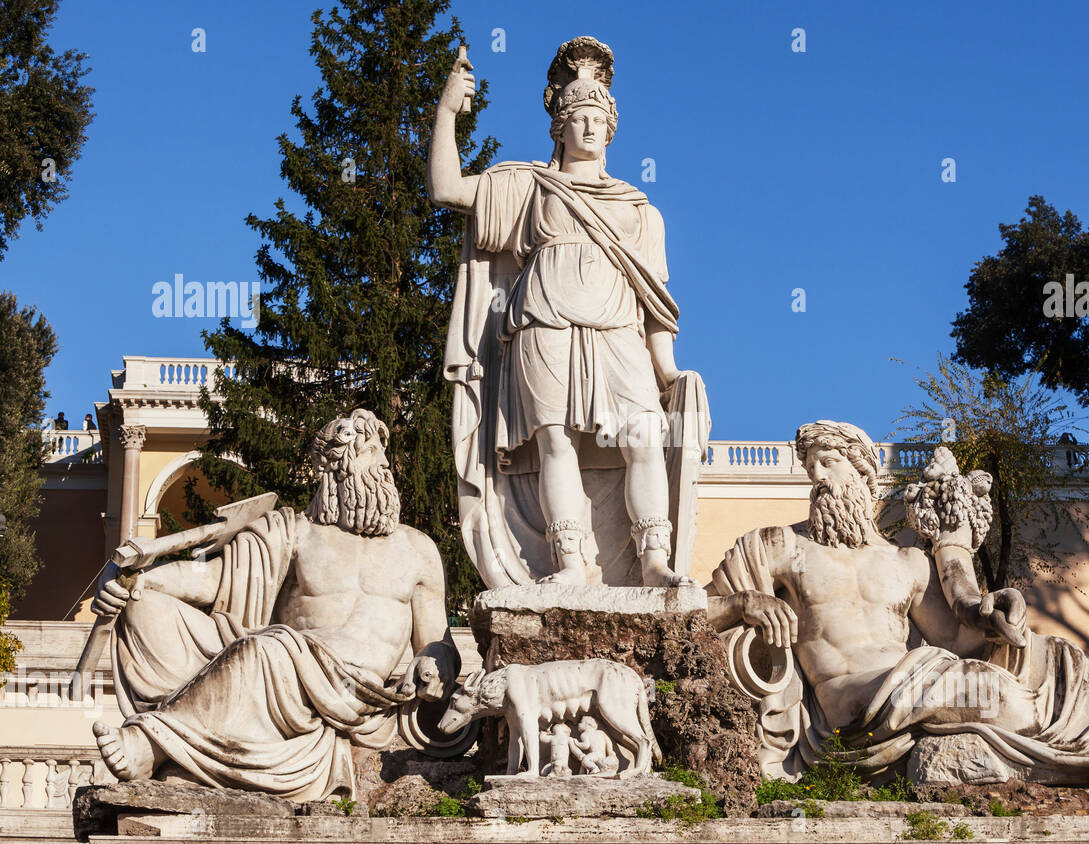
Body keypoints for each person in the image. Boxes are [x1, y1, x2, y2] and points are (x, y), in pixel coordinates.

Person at [706, 420, 1089, 783]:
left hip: (917, 679)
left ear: (863, 475)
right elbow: (691, 615)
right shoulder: (779, 547)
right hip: (850, 705)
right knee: (984, 688)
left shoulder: (906, 562)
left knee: (1057, 657)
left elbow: (956, 637)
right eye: (809, 467)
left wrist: (994, 615)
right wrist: (744, 604)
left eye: (827, 464)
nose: (815, 477)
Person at [431, 37, 707, 589]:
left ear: (611, 128)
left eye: (597, 118)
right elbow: (446, 190)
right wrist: (446, 113)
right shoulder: (530, 186)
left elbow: (655, 305)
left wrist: (670, 371)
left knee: (644, 435)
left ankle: (654, 558)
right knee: (554, 440)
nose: (587, 128)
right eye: (576, 116)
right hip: (542, 321)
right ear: (559, 125)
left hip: (616, 326)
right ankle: (571, 563)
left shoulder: (640, 210)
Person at [90, 410, 461, 801]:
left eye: (382, 453)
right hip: (286, 672)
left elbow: (439, 642)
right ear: (334, 468)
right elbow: (211, 579)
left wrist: (437, 660)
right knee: (146, 607)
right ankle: (182, 745)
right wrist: (139, 581)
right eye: (370, 452)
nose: (384, 465)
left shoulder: (416, 549)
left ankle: (152, 744)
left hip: (357, 690)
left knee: (266, 649)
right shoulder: (293, 532)